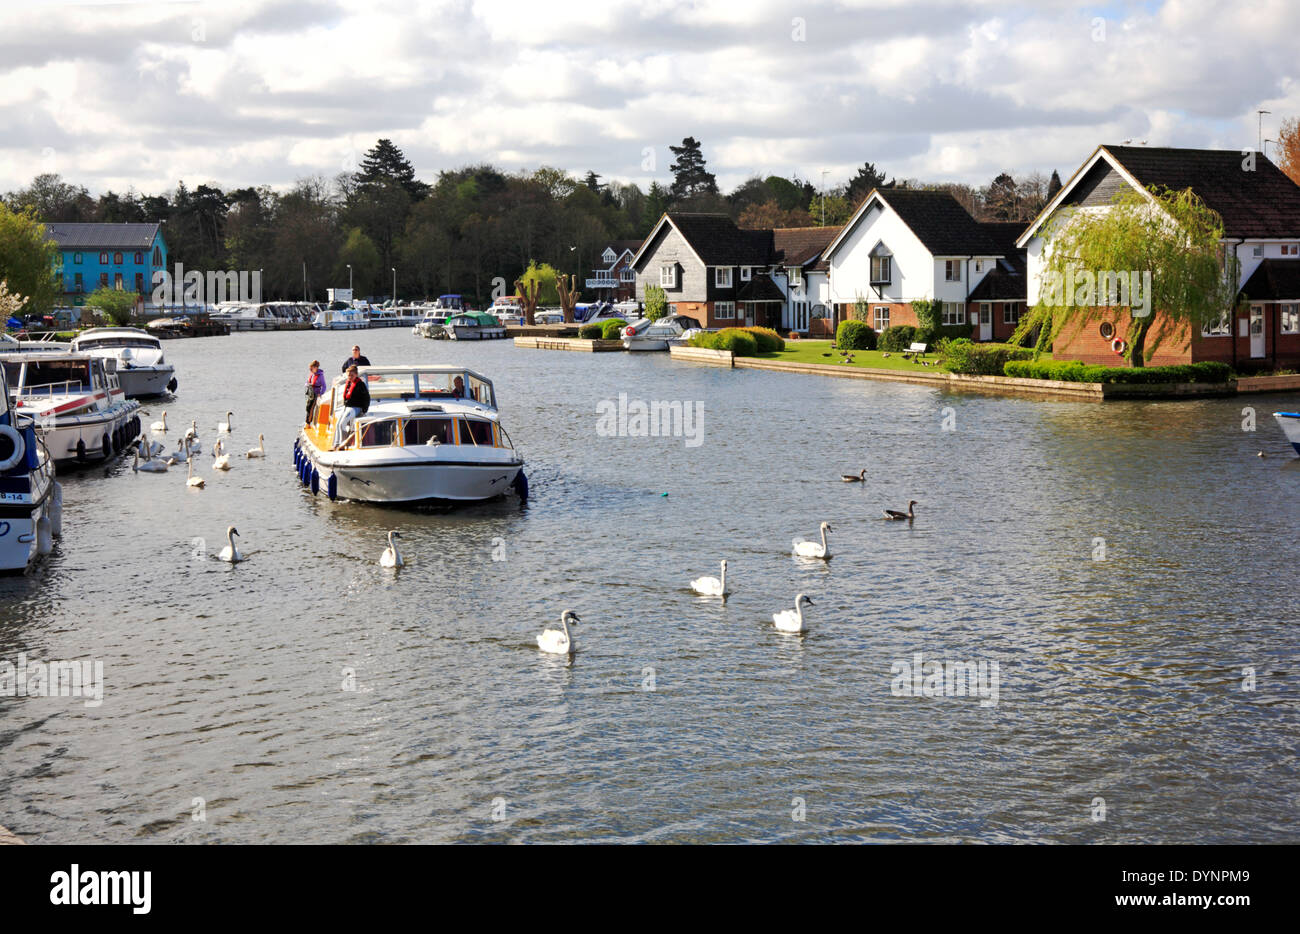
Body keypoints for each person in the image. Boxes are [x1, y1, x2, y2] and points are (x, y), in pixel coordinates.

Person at [333, 365, 371, 448]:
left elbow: (367, 398)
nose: (350, 377)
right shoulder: (349, 383)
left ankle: (342, 444)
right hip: (347, 407)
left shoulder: (360, 385)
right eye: (348, 375)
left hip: (356, 408)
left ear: (356, 375)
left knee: (342, 424)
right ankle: (336, 444)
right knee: (338, 424)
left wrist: (364, 410)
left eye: (352, 375)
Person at [304, 360, 326, 426]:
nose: (310, 369)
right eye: (310, 368)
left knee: (311, 408)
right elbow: (307, 382)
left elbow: (324, 386)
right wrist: (307, 384)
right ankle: (308, 421)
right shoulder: (312, 374)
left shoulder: (320, 376)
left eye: (311, 368)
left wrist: (320, 393)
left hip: (316, 394)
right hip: (310, 394)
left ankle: (308, 423)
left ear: (316, 367)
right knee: (308, 407)